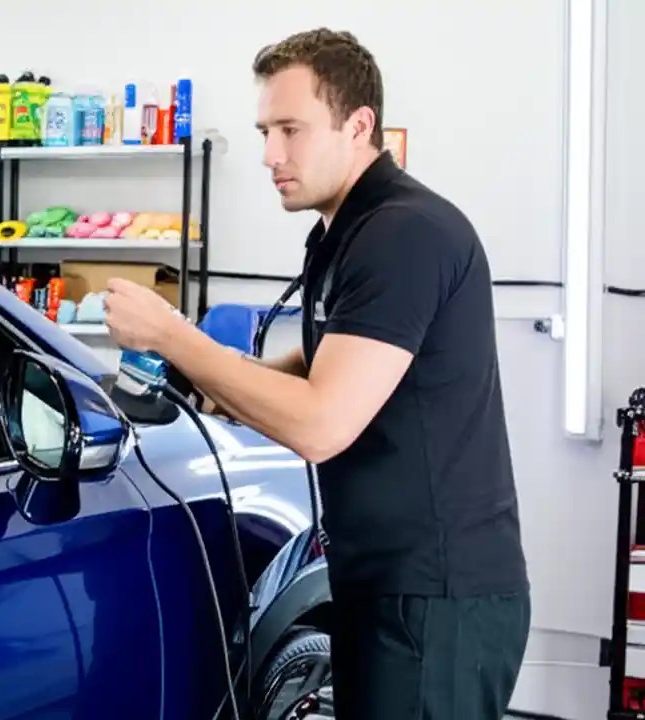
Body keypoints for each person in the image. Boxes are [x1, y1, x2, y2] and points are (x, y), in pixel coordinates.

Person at [103, 27, 530, 719]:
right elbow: (329, 358)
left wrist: (175, 337)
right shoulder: (345, 233)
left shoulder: (405, 233)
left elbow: (322, 422)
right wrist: (226, 385)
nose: (270, 154)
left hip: (433, 597)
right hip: (377, 581)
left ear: (358, 125)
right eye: (265, 130)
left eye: (291, 130)